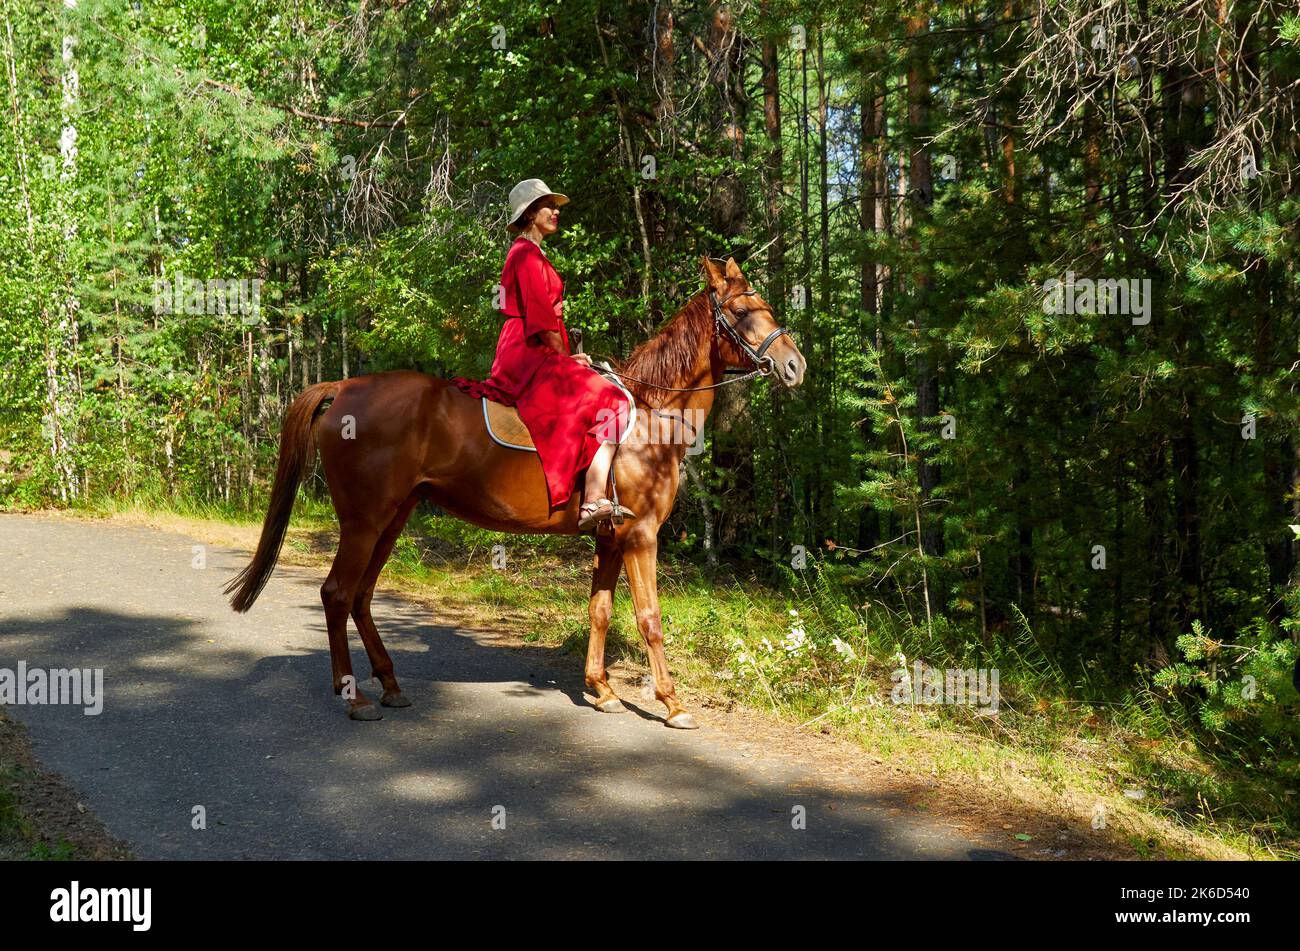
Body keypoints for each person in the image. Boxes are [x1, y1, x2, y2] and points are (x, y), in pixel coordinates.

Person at [482, 178, 633, 530]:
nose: (555, 212)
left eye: (556, 207)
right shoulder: (525, 253)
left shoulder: (531, 253)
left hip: (530, 347)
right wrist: (564, 358)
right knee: (615, 400)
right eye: (548, 206)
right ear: (530, 214)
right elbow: (540, 316)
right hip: (529, 352)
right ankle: (594, 497)